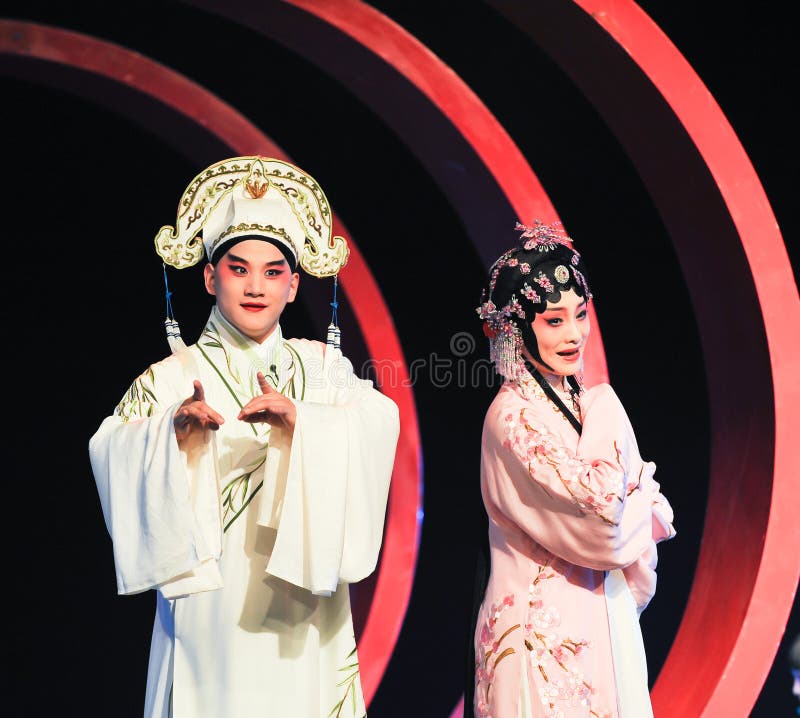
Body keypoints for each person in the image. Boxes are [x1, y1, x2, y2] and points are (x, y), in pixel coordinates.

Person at [89, 156, 400, 718]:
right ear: (210, 277)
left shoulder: (322, 369)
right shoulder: (169, 377)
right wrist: (171, 436)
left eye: (273, 271)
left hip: (302, 606)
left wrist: (305, 423)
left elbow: (379, 422)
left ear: (293, 284)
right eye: (238, 269)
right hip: (211, 607)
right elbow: (108, 445)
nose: (256, 286)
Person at [471, 221, 676, 717]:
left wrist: (640, 497)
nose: (574, 334)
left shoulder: (577, 402)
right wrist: (641, 497)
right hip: (541, 639)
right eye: (553, 320)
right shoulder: (513, 416)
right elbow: (605, 512)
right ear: (517, 326)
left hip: (600, 620)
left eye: (580, 315)